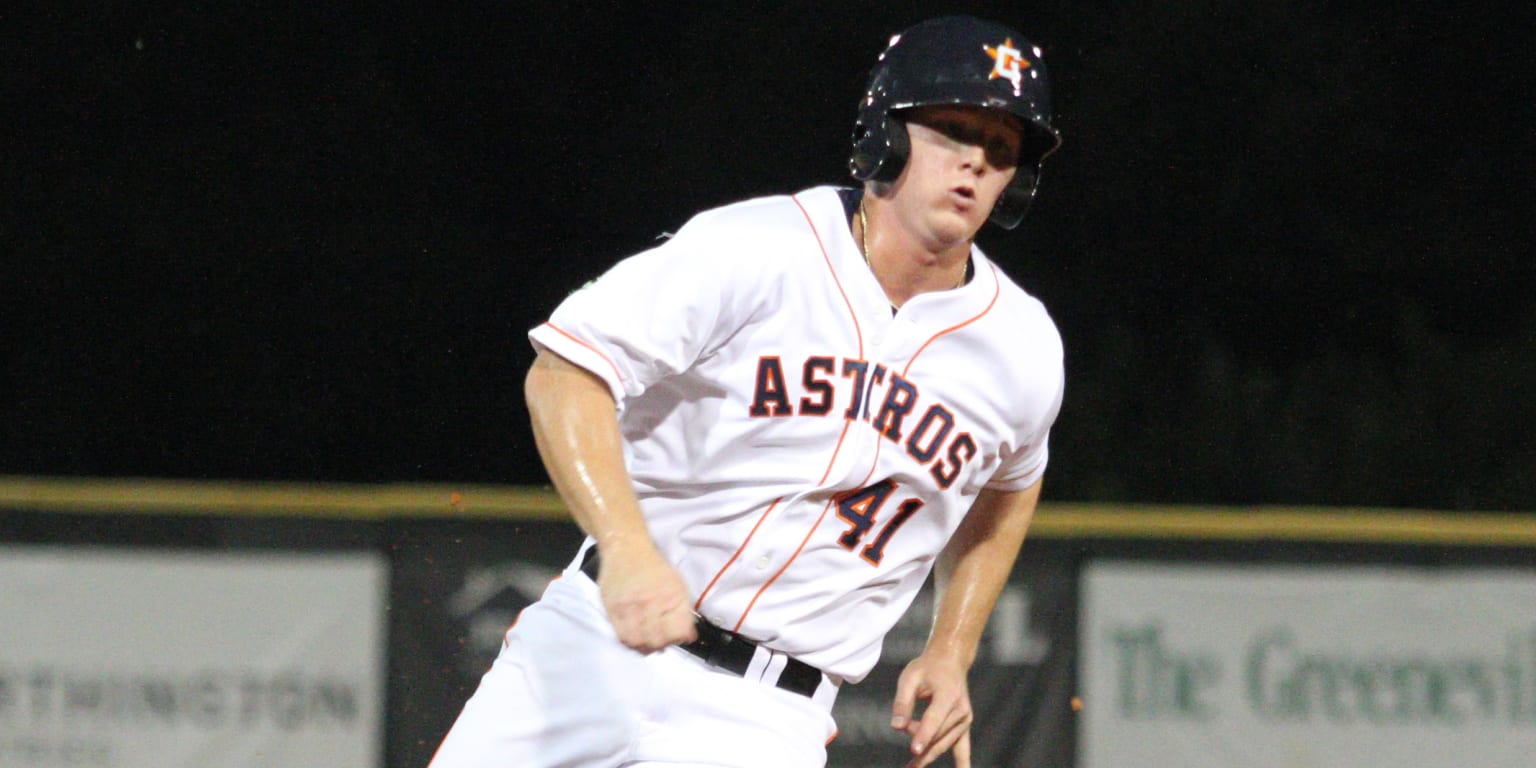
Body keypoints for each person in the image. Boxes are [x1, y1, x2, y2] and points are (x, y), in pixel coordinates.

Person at [429, 15, 1065, 768]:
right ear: (886, 132)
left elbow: (1013, 480)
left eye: (1000, 150)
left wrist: (952, 648)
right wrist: (627, 548)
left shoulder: (1021, 347)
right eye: (952, 130)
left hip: (765, 716)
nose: (974, 165)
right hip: (594, 646)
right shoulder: (757, 248)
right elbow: (567, 370)